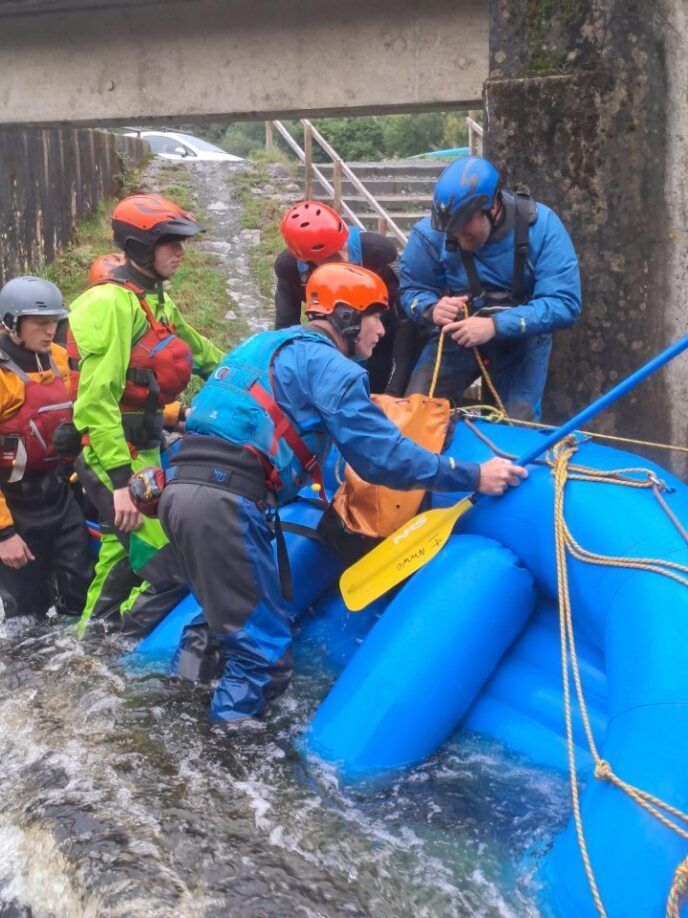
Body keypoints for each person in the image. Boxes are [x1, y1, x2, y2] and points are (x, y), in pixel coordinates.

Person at [158, 262, 526, 724]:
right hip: (225, 504)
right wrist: (472, 475)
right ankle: (221, 764)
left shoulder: (261, 344)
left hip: (180, 491)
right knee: (263, 661)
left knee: (213, 628)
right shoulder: (333, 367)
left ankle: (175, 725)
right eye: (377, 318)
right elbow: (384, 458)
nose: (381, 332)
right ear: (348, 317)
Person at [68, 194, 223, 636]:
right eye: (169, 242)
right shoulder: (108, 305)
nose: (180, 251)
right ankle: (126, 648)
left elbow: (206, 355)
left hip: (147, 450)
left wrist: (257, 373)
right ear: (138, 246)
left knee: (120, 556)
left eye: (181, 242)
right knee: (168, 564)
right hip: (113, 455)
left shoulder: (155, 301)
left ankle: (86, 643)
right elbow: (95, 402)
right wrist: (120, 485)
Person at [400, 155, 582, 419]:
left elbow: (565, 303)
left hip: (523, 336)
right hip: (460, 332)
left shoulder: (542, 227)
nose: (456, 233)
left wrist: (495, 325)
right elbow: (411, 289)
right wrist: (430, 309)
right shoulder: (431, 234)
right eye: (450, 225)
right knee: (417, 412)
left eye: (465, 224)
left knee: (518, 420)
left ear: (493, 207)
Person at [0, 276, 93, 618]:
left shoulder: (58, 357)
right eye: (40, 323)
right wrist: (4, 534)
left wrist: (172, 414)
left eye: (54, 321)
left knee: (79, 594)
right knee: (26, 612)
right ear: (12, 323)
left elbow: (92, 402)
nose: (50, 329)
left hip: (58, 493)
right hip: (14, 503)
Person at [274, 200, 421, 395]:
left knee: (382, 391)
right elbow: (286, 327)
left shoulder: (376, 252)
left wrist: (394, 389)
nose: (342, 260)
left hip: (383, 334)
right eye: (329, 258)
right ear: (305, 260)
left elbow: (405, 320)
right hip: (333, 341)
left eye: (342, 249)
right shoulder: (290, 268)